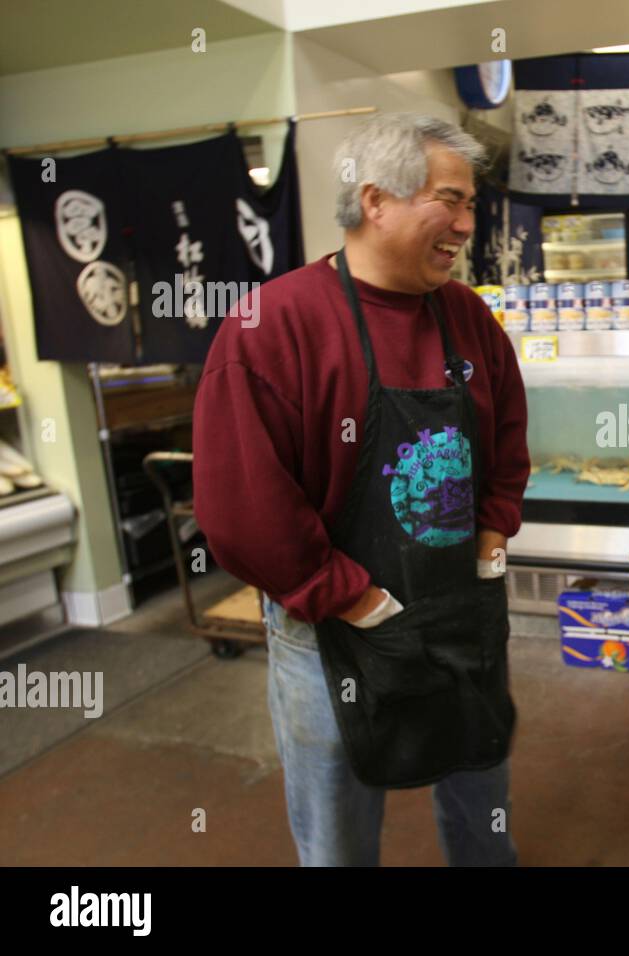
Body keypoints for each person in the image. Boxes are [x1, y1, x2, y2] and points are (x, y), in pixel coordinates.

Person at [193, 113, 530, 866]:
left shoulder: (468, 317)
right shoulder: (271, 326)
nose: (467, 225)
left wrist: (491, 537)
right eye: (451, 201)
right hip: (332, 631)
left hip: (460, 611)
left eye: (472, 205)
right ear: (376, 201)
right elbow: (241, 507)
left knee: (483, 795)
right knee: (337, 829)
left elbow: (508, 438)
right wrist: (346, 594)